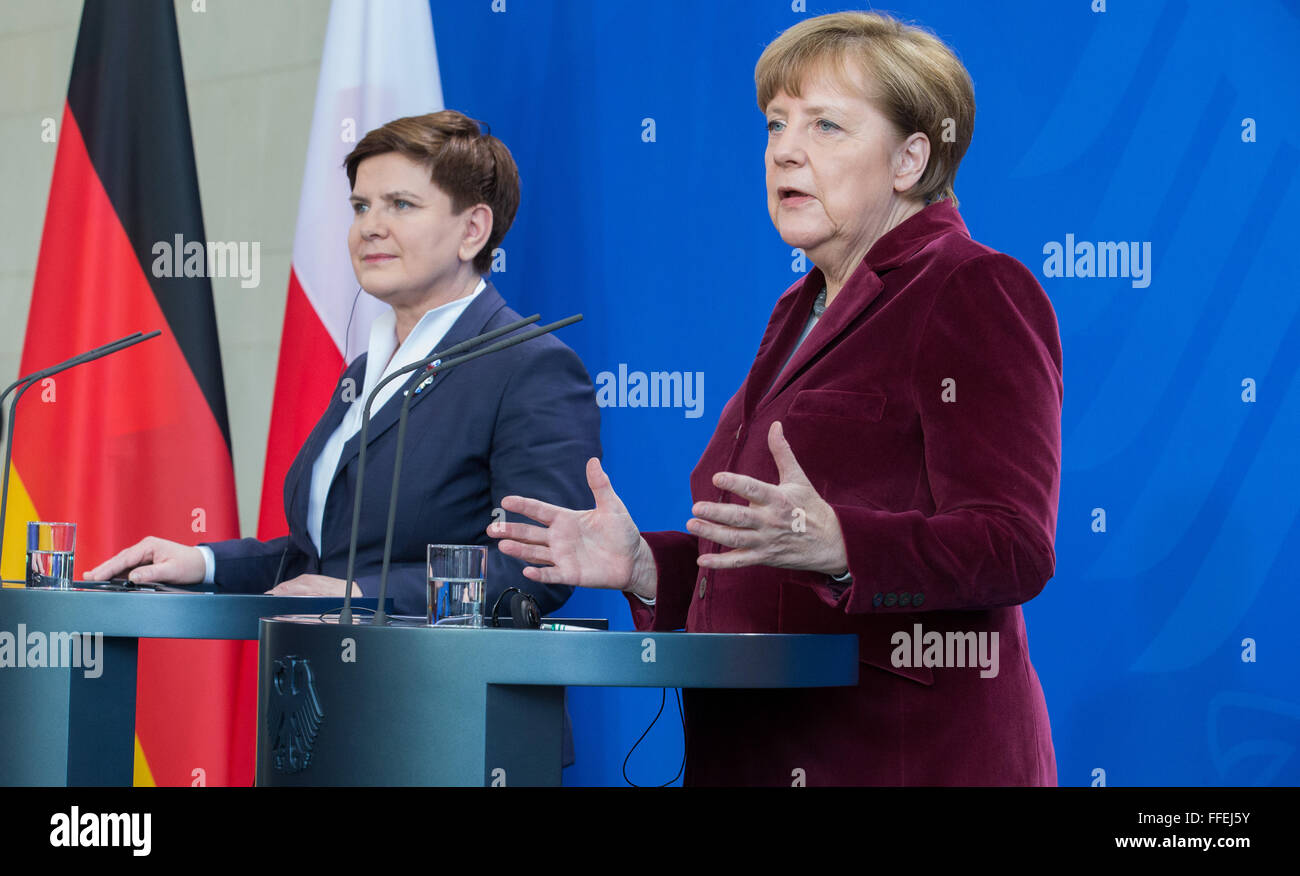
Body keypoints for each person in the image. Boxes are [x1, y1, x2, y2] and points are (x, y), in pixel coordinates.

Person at [490, 12, 1063, 785]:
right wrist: (644, 567)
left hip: (897, 759)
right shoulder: (797, 308)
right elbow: (770, 559)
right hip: (757, 752)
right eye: (776, 125)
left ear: (910, 157)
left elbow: (1013, 546)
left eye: (826, 126)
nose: (785, 149)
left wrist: (845, 548)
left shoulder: (971, 287)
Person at [88, 111, 601, 618]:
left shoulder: (529, 368)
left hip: (447, 693)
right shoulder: (365, 371)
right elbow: (325, 564)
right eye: (360, 206)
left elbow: (536, 569)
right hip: (323, 685)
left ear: (472, 230)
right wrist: (203, 562)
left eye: (400, 204)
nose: (370, 228)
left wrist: (358, 595)